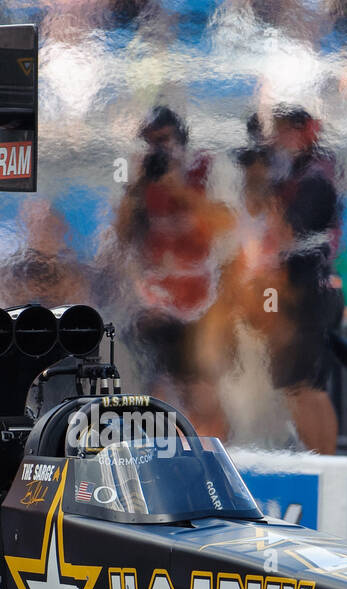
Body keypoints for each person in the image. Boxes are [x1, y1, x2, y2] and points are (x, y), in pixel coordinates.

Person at [114, 105, 234, 435]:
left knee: (201, 387)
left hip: (203, 295)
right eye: (150, 141)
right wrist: (134, 190)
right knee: (155, 390)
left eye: (164, 140)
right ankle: (163, 456)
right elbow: (120, 237)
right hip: (155, 298)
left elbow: (226, 223)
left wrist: (181, 191)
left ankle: (218, 455)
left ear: (181, 139)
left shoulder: (206, 167)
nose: (158, 149)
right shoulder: (137, 173)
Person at [267, 105, 344, 454]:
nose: (278, 139)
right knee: (295, 384)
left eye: (285, 131)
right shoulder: (297, 172)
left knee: (309, 384)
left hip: (309, 286)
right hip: (300, 285)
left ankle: (324, 459)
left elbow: (285, 232)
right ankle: (317, 455)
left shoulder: (315, 176)